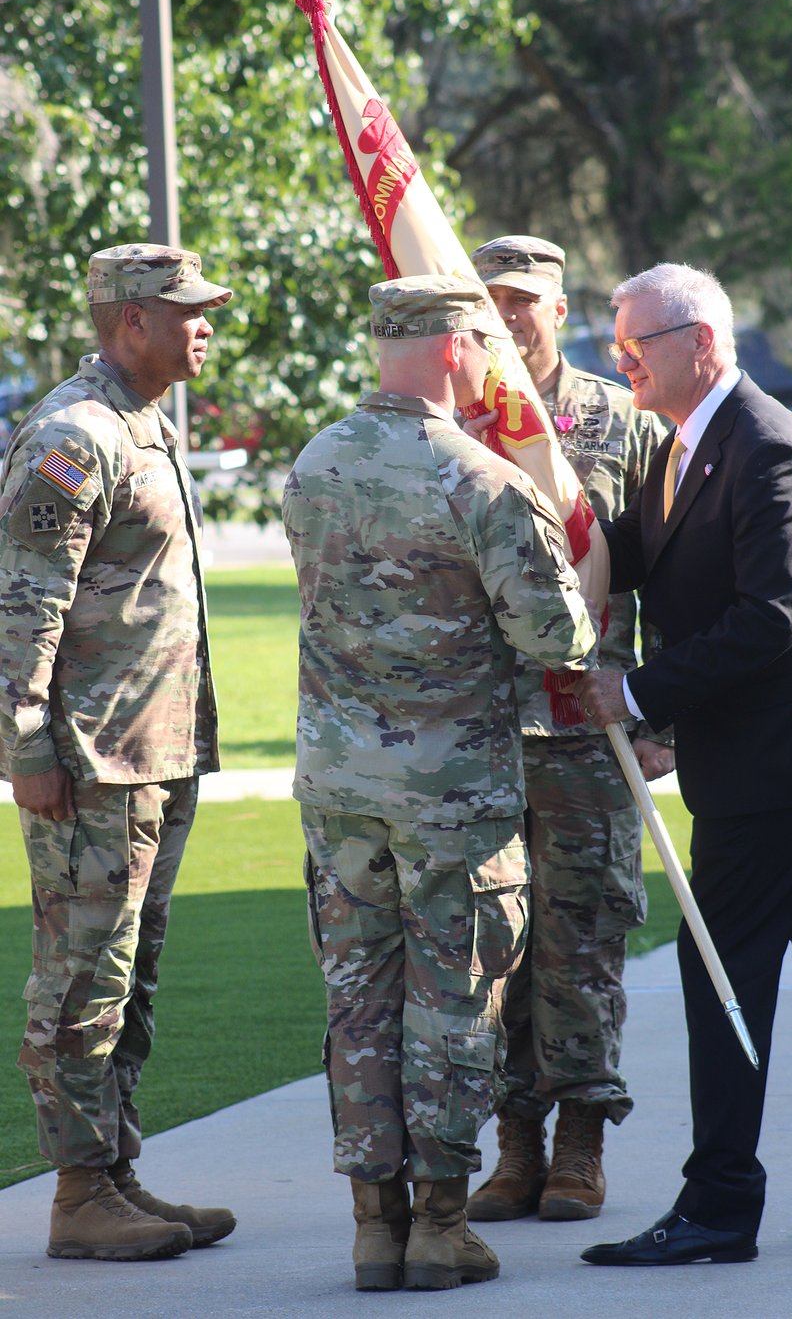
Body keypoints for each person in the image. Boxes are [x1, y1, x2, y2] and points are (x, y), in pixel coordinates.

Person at [575, 262, 792, 1265]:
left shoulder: (767, 451)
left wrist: (634, 695)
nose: (619, 359)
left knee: (721, 973)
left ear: (701, 342)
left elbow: (768, 618)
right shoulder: (683, 447)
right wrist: (549, 511)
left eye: (637, 343)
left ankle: (719, 1206)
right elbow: (639, 549)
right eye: (616, 342)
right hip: (781, 764)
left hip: (779, 763)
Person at [281, 274, 599, 1291]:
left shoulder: (314, 464)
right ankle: (439, 1227)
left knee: (359, 1005)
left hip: (340, 787)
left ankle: (374, 1227)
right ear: (458, 348)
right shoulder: (481, 481)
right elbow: (556, 637)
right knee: (455, 1006)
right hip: (453, 790)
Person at [0, 243, 237, 1261]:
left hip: (154, 750)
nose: (205, 326)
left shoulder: (140, 426)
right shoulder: (72, 436)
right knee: (80, 978)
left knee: (128, 978)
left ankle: (117, 1175)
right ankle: (79, 1194)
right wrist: (26, 747)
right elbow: (23, 608)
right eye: (186, 311)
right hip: (90, 762)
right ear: (128, 321)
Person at [462, 236, 674, 1223]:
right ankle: (517, 1146)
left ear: (558, 307)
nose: (507, 317)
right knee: (496, 946)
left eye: (525, 301)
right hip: (483, 727)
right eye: (490, 299)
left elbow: (673, 570)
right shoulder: (458, 421)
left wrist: (663, 706)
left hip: (591, 728)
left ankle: (582, 1143)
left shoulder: (620, 420)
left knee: (582, 940)